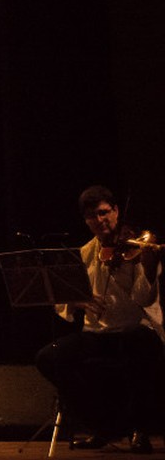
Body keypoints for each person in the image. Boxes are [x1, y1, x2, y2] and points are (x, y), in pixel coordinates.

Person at [34, 185, 162, 454]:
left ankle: (138, 429)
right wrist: (78, 301)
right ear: (85, 220)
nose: (100, 220)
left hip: (134, 328)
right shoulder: (83, 254)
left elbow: (144, 298)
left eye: (105, 213)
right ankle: (102, 426)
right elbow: (62, 302)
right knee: (49, 357)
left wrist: (149, 267)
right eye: (92, 216)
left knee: (140, 347)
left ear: (116, 211)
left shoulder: (137, 248)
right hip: (96, 333)